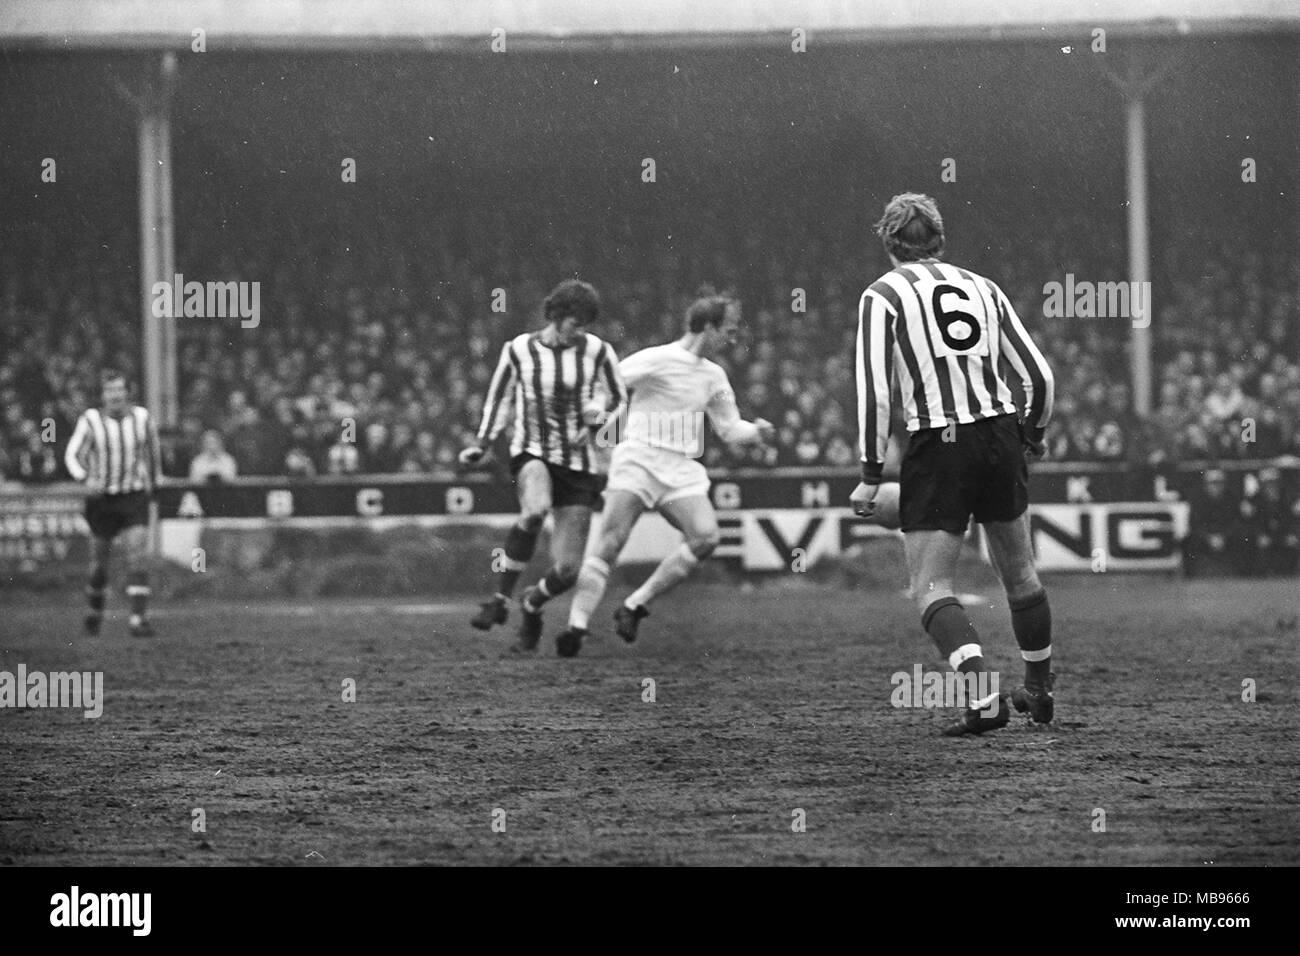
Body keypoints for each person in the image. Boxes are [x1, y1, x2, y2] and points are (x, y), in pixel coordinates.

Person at [849, 193, 1056, 736]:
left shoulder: (883, 294)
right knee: (1021, 573)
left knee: (931, 586)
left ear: (888, 243)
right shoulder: (984, 287)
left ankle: (984, 698)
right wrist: (1030, 435)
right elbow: (1038, 375)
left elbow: (874, 391)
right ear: (940, 238)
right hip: (1000, 431)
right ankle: (1038, 690)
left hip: (940, 443)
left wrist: (871, 473)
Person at [554, 289, 775, 657]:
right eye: (730, 330)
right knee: (611, 542)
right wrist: (594, 416)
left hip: (681, 467)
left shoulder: (714, 376)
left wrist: (756, 432)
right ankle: (576, 627)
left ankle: (635, 604)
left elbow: (728, 428)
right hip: (639, 459)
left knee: (705, 538)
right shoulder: (657, 359)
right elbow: (607, 383)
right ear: (707, 326)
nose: (733, 339)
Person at [459, 279, 627, 653]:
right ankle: (499, 601)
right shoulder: (518, 349)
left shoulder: (598, 352)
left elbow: (619, 400)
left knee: (568, 571)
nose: (579, 331)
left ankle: (531, 604)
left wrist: (598, 426)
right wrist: (482, 444)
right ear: (556, 315)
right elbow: (499, 399)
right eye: (574, 323)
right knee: (533, 511)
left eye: (585, 325)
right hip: (532, 451)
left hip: (578, 466)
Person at [64, 369, 162, 637]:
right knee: (99, 565)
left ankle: (138, 619)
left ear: (127, 392)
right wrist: (85, 478)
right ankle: (95, 611)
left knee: (138, 555)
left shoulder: (142, 418)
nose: (115, 395)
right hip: (102, 499)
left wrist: (154, 485)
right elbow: (72, 455)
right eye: (110, 391)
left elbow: (153, 454)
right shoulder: (91, 420)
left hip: (133, 496)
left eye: (119, 389)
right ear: (103, 395)